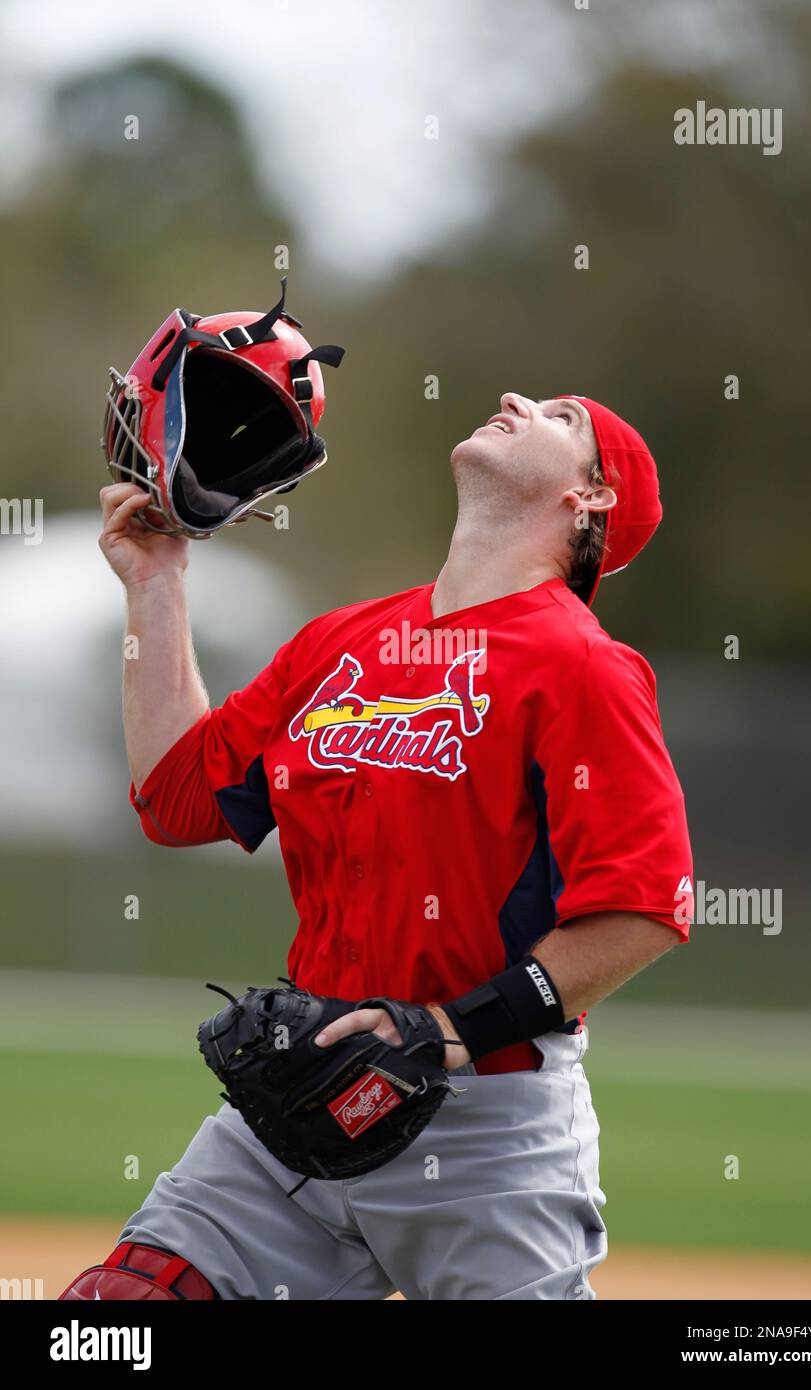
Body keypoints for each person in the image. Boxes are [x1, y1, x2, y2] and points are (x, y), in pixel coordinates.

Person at [62, 390, 693, 1301]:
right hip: (306, 1089)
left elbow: (644, 907)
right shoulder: (342, 641)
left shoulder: (582, 665)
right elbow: (179, 799)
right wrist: (156, 582)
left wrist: (446, 1031)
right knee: (122, 1314)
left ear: (592, 496)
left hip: (485, 1122)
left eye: (561, 416)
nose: (515, 399)